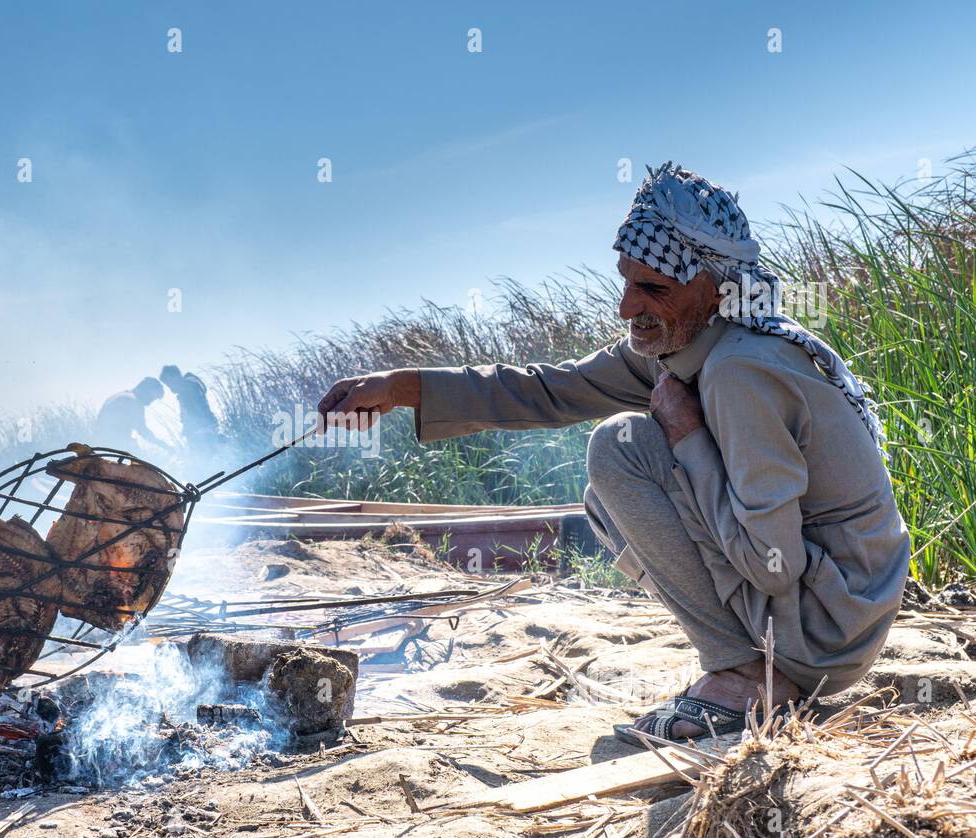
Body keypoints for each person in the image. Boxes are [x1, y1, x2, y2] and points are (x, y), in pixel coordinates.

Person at [317, 161, 909, 743]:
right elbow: (546, 389)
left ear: (716, 291)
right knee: (608, 490)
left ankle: (744, 678)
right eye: (626, 282)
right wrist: (398, 388)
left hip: (827, 622)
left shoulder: (739, 370)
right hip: (829, 606)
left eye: (652, 288)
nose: (628, 307)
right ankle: (751, 666)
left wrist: (686, 437)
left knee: (619, 448)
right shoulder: (694, 342)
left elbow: (772, 564)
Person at [159, 365, 223, 458]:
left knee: (202, 461)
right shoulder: (191, 386)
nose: (170, 388)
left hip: (201, 434)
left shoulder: (187, 389)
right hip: (205, 430)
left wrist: (195, 430)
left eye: (169, 383)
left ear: (174, 377)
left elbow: (197, 411)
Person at [94, 377, 166, 454]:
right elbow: (142, 430)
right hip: (113, 446)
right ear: (146, 391)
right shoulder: (133, 401)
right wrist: (163, 445)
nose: (150, 402)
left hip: (101, 444)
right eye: (152, 398)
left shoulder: (118, 396)